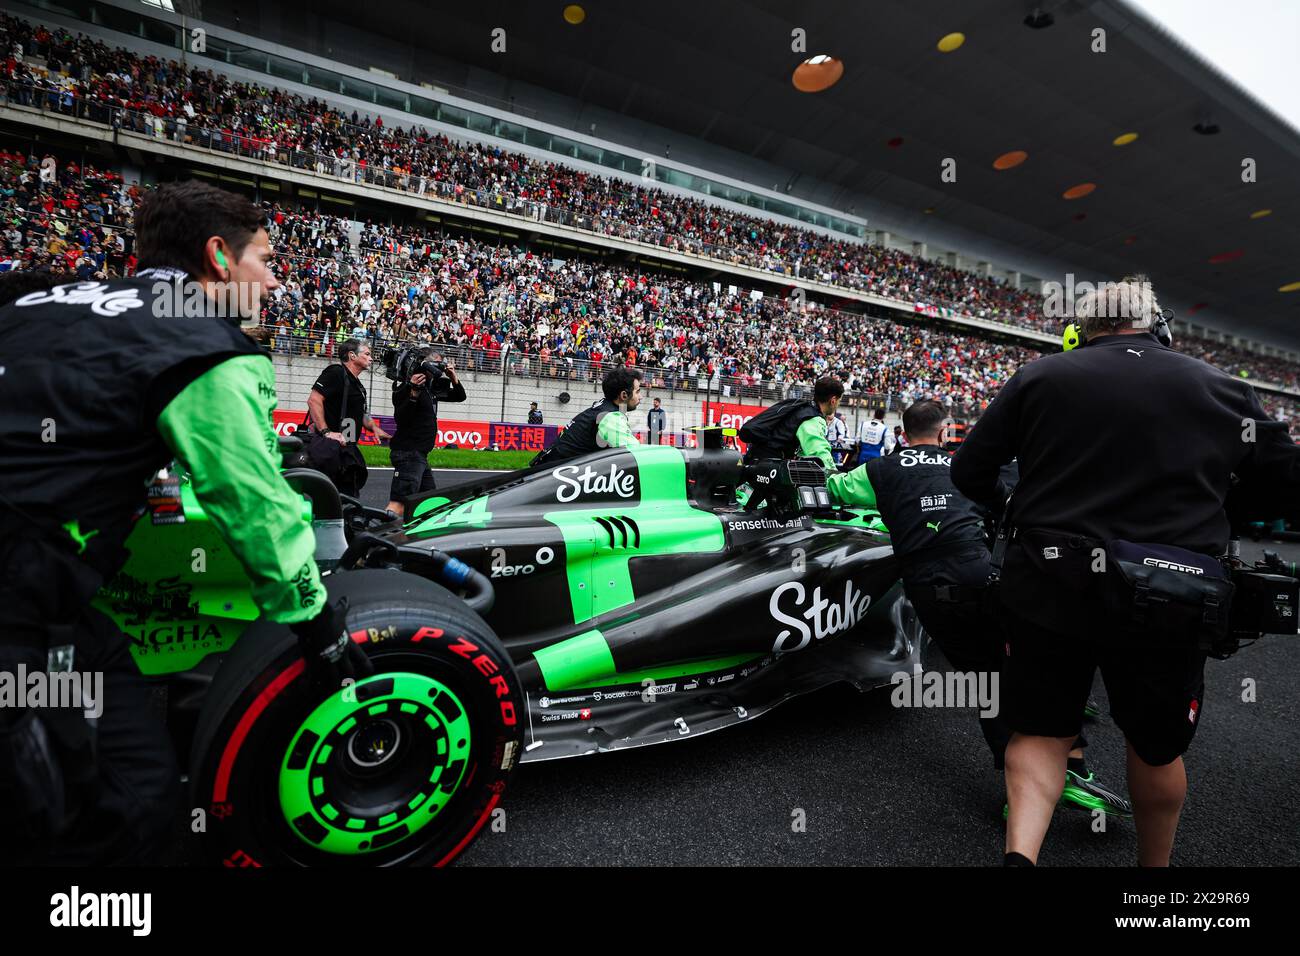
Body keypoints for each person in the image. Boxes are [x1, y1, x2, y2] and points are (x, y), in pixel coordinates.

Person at [0, 180, 359, 865]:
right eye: (267, 259)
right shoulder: (201, 341)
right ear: (220, 256)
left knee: (138, 778)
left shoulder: (48, 301)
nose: (276, 281)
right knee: (81, 818)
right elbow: (251, 499)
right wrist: (320, 630)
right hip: (19, 609)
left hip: (57, 609)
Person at [951, 275, 1300, 867]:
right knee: (1156, 746)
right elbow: (1287, 484)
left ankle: (1020, 861)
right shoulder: (1219, 386)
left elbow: (969, 471)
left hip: (1048, 582)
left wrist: (1018, 510)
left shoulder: (1039, 377)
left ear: (1082, 332)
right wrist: (1218, 510)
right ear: (1158, 326)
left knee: (1039, 732)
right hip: (1170, 590)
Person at [824, 400, 1129, 819]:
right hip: (982, 571)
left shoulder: (877, 470)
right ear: (946, 431)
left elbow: (831, 488)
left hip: (929, 584)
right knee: (1026, 664)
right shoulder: (962, 466)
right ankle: (1070, 767)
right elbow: (1004, 509)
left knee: (986, 682)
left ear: (901, 432)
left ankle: (1027, 787)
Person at [384, 349, 467, 516]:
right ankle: (378, 537)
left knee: (429, 504)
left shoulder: (431, 388)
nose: (439, 368)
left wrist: (452, 377)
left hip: (419, 455)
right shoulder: (405, 387)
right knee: (399, 504)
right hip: (408, 452)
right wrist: (414, 393)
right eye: (436, 363)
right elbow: (401, 418)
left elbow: (459, 396)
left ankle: (414, 536)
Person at [308, 338, 391, 497]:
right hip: (329, 449)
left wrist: (373, 427)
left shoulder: (357, 384)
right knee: (332, 500)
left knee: (347, 500)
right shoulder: (336, 372)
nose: (371, 358)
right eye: (367, 354)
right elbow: (314, 400)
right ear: (352, 356)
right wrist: (326, 432)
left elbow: (360, 414)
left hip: (347, 448)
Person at [532, 367, 642, 467]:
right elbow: (636, 455)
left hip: (548, 469)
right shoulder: (610, 417)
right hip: (552, 479)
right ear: (624, 395)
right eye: (637, 392)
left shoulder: (604, 407)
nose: (640, 397)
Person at [738, 375, 840, 472]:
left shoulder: (800, 407)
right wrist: (834, 476)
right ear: (833, 400)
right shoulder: (812, 418)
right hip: (769, 469)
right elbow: (819, 453)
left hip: (756, 461)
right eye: (839, 401)